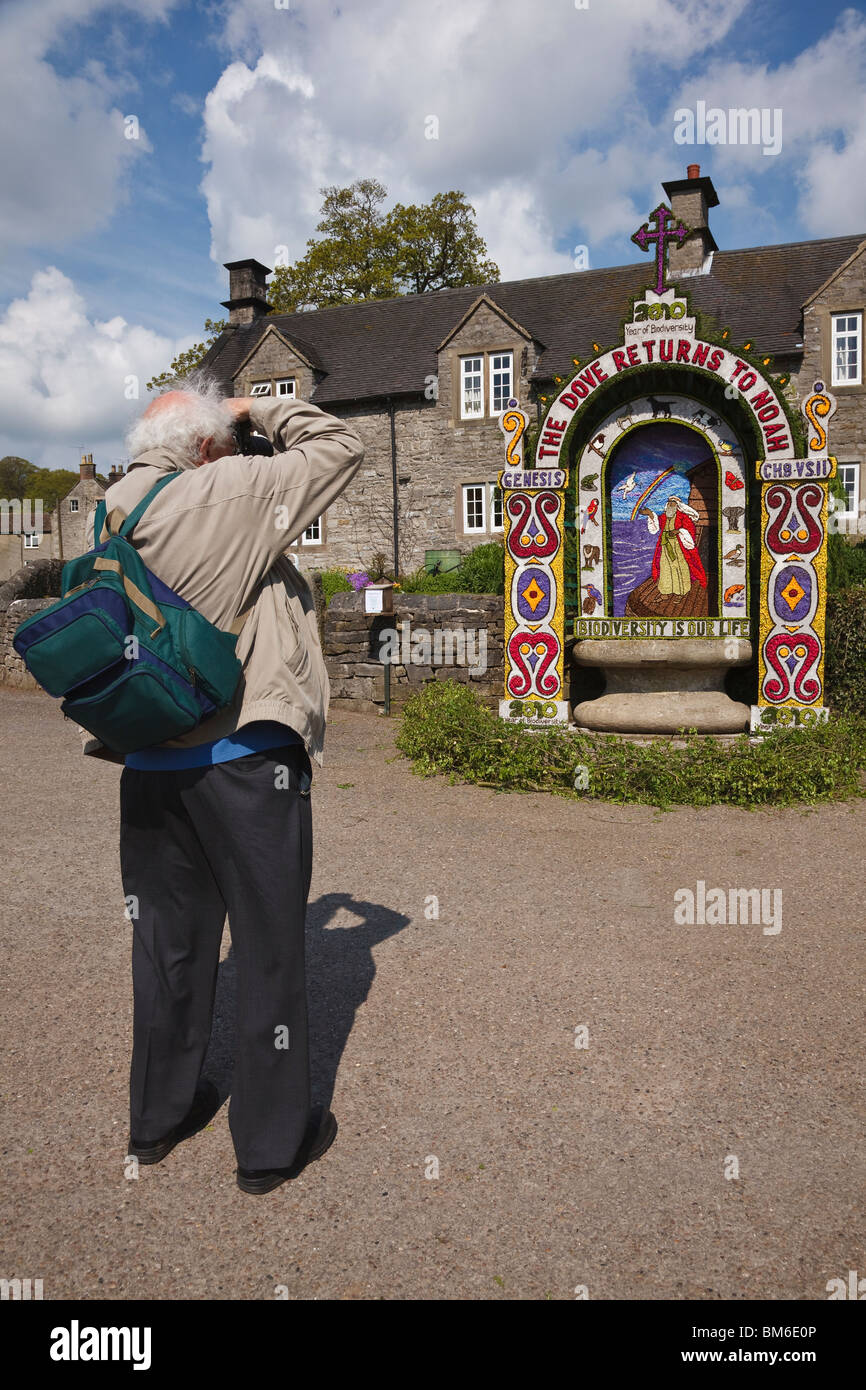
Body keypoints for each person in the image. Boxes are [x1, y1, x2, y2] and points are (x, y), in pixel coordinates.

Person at [82, 381, 364, 1194]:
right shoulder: (230, 486)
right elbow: (340, 448)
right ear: (207, 445)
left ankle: (158, 1118)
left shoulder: (115, 505)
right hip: (244, 760)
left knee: (166, 948)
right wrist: (257, 410)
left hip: (147, 760)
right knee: (270, 947)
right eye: (227, 438)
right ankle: (272, 1145)